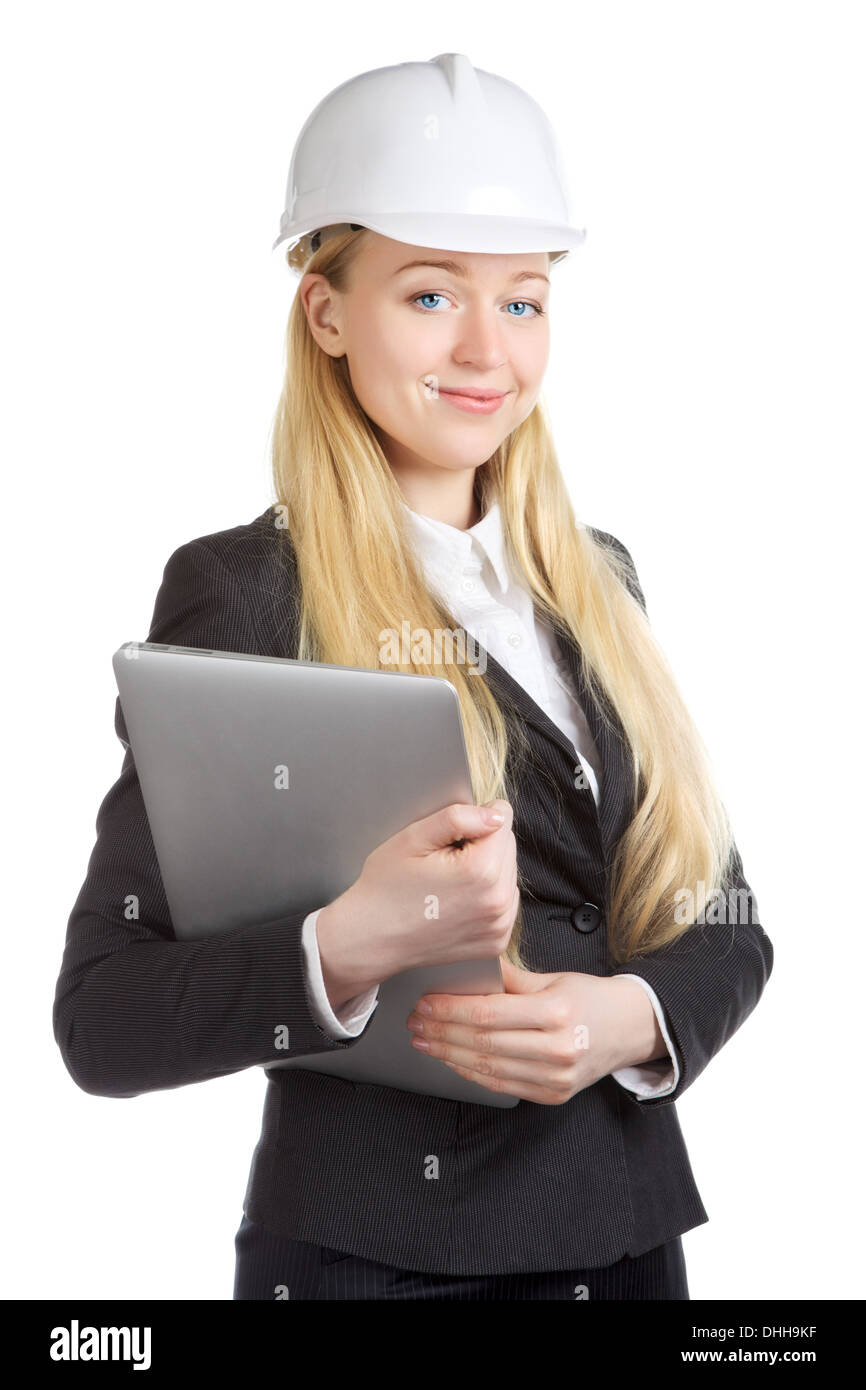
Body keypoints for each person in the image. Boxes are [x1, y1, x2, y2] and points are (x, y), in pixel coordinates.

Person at [53, 53, 773, 1301]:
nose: (487, 350)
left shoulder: (600, 579)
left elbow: (725, 923)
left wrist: (621, 1023)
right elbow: (106, 1016)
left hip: (628, 1244)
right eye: (431, 295)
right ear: (327, 313)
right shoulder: (245, 594)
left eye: (524, 300)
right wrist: (342, 947)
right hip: (378, 1259)